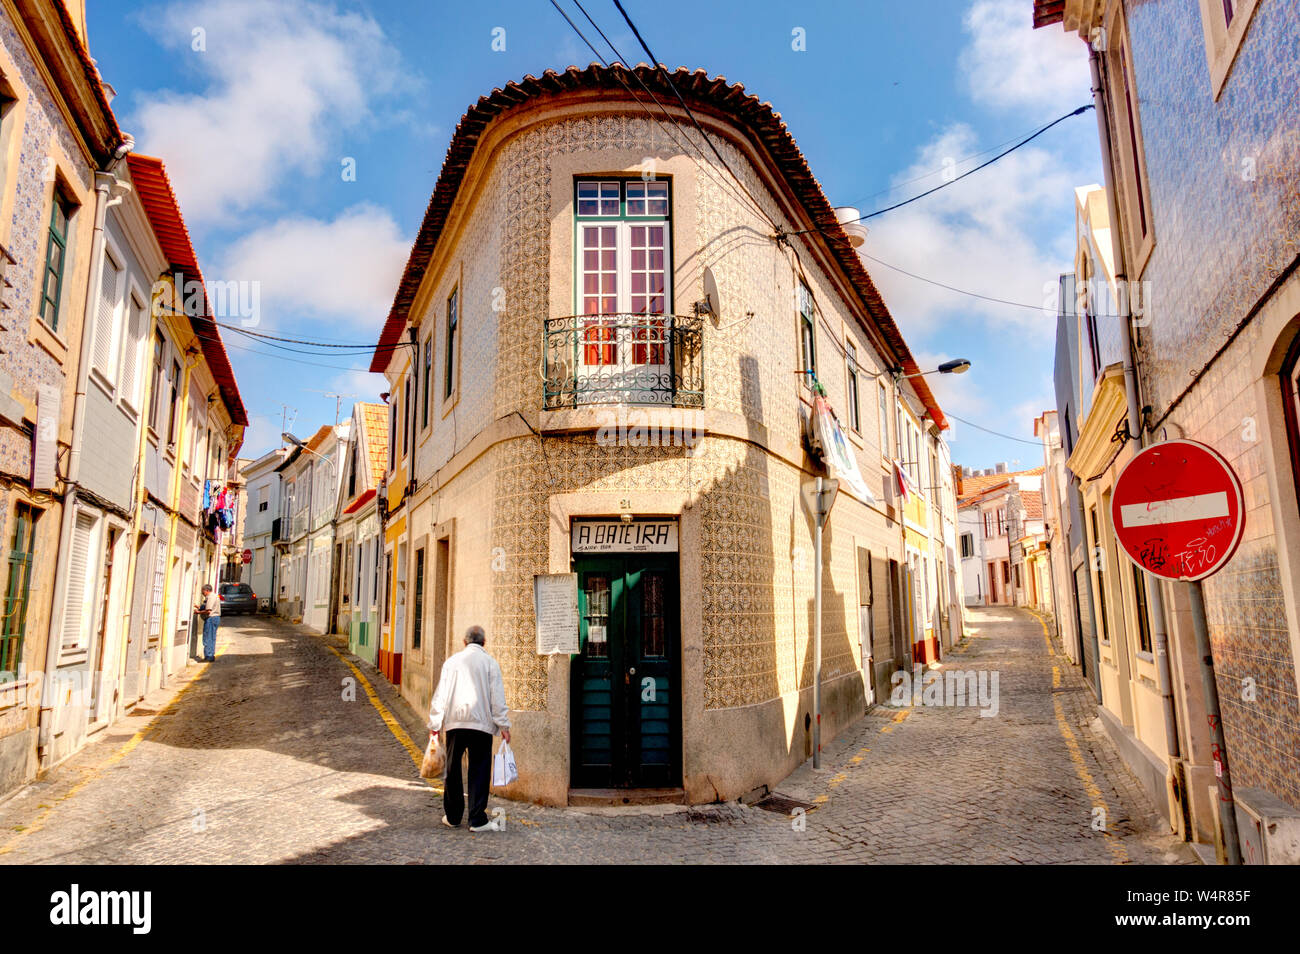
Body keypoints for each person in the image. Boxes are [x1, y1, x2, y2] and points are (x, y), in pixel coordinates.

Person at [428, 625, 511, 832]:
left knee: (452, 770)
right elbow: (497, 698)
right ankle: (477, 819)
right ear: (484, 643)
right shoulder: (491, 663)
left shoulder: (452, 662)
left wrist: (435, 725)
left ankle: (454, 816)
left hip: (455, 724)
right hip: (482, 725)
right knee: (479, 770)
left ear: (464, 642)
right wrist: (504, 726)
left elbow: (441, 695)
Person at [196, 584, 221, 662]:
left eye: (202, 591)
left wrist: (198, 612)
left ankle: (209, 656)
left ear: (206, 590)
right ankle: (210, 655)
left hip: (211, 619)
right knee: (212, 637)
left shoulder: (210, 597)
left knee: (208, 637)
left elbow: (208, 610)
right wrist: (199, 607)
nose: (202, 593)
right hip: (215, 618)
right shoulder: (214, 596)